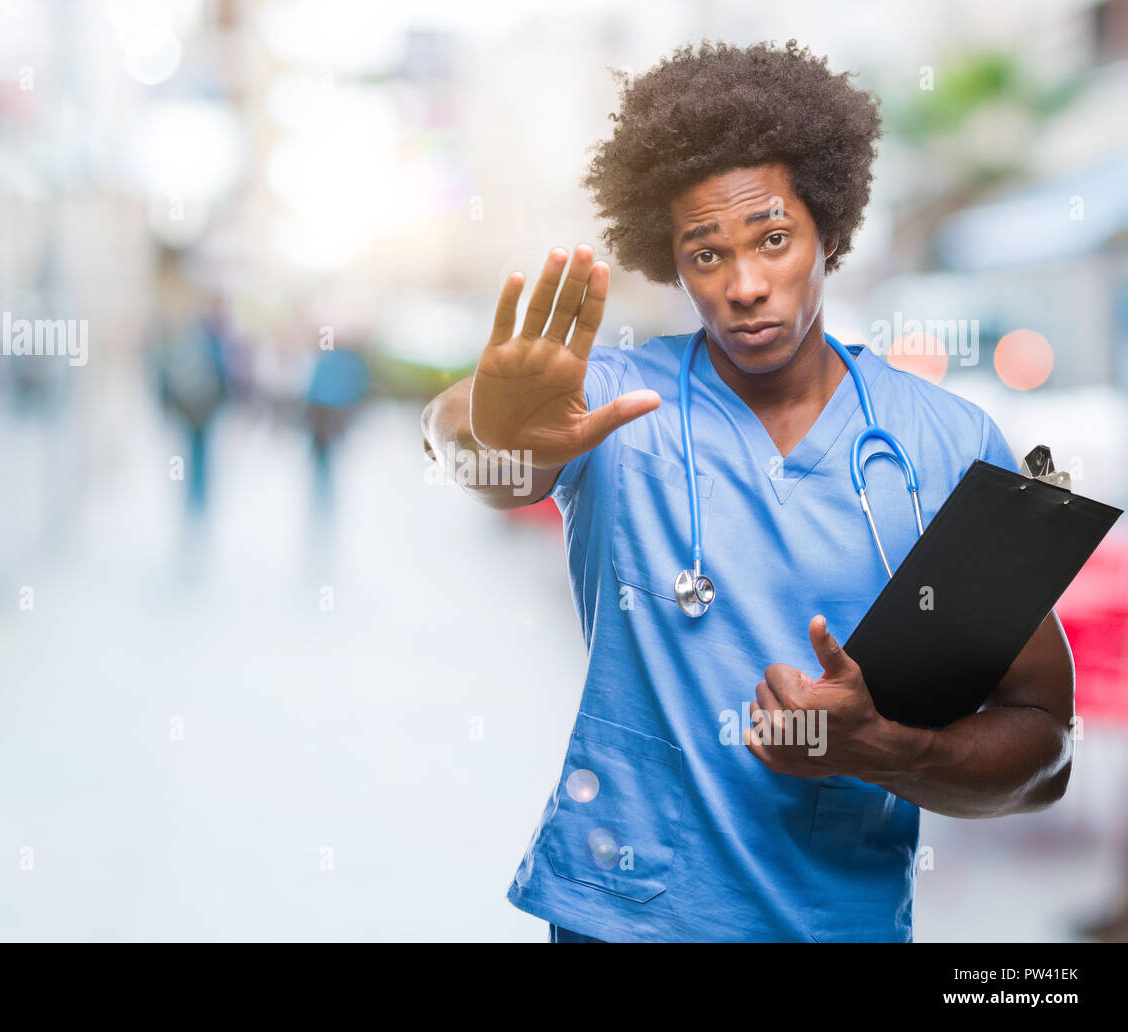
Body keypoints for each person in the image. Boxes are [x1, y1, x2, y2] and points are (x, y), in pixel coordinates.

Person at [420, 39, 1075, 943]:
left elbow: (1042, 742)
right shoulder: (616, 404)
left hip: (840, 923)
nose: (745, 286)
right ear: (672, 262)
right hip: (624, 918)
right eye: (706, 255)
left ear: (829, 231)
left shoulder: (948, 444)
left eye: (773, 238)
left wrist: (882, 751)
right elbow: (459, 440)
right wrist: (490, 431)